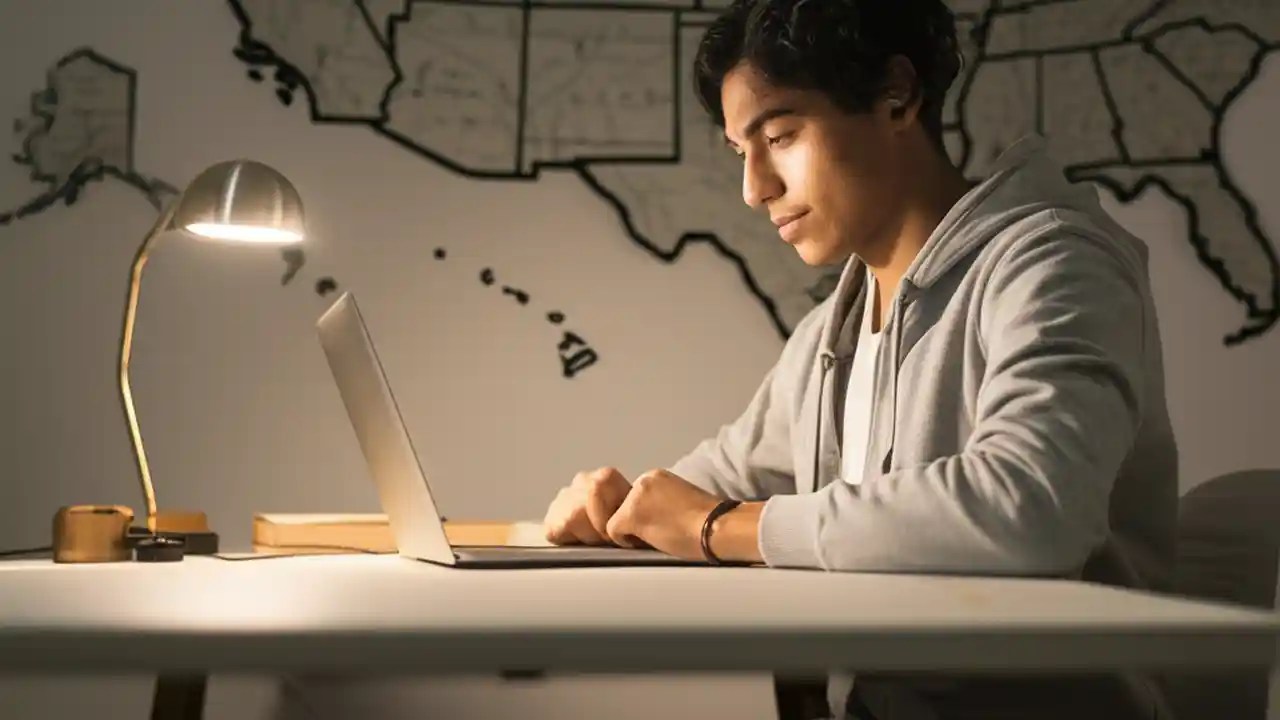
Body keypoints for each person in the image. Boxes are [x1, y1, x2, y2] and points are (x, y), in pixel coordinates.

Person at [540, 1, 1180, 718]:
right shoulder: (828, 335)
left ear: (896, 96)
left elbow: (1029, 505)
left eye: (779, 135)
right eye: (740, 152)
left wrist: (717, 528)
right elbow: (706, 488)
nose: (755, 189)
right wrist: (615, 511)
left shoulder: (1054, 264)